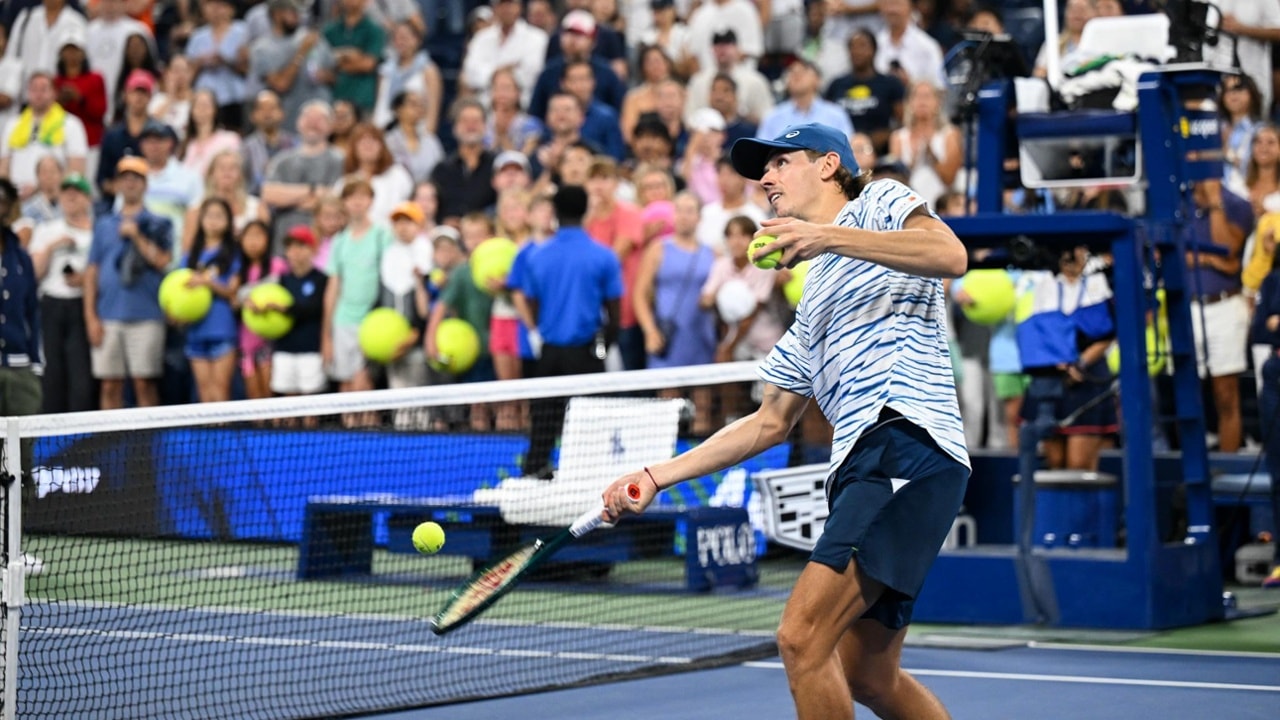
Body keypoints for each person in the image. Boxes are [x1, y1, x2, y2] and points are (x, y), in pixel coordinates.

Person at [600, 123, 969, 720]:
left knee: (801, 639)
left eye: (780, 163)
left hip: (904, 441)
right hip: (864, 464)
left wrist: (826, 236)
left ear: (828, 165)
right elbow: (768, 421)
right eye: (762, 170)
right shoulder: (813, 295)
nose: (766, 178)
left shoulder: (880, 201)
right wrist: (656, 475)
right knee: (870, 676)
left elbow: (951, 256)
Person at [512, 184, 622, 479]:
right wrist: (603, 346)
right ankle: (591, 481)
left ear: (555, 212)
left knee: (542, 427)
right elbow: (615, 314)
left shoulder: (538, 256)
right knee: (591, 430)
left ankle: (534, 476)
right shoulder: (603, 256)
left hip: (549, 355)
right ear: (585, 211)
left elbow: (533, 304)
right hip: (586, 355)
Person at [84, 156, 174, 410]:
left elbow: (163, 261)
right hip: (108, 315)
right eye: (125, 178)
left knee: (144, 383)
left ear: (145, 185)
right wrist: (91, 317)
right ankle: (109, 436)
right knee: (109, 384)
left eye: (136, 178)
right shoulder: (104, 225)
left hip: (147, 315)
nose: (130, 183)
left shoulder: (159, 223)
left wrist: (136, 236)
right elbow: (91, 271)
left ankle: (149, 437)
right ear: (117, 184)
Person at [29, 172, 95, 413]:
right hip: (51, 304)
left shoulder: (96, 233)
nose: (71, 197)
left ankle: (80, 428)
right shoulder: (47, 229)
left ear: (88, 198)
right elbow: (34, 273)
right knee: (52, 371)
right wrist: (52, 247)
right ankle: (50, 426)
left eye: (77, 192)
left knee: (80, 373)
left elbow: (103, 274)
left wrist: (84, 280)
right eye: (67, 192)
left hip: (82, 304)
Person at [181, 197, 242, 403]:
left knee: (221, 389)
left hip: (222, 329)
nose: (213, 221)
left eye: (219, 216)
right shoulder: (190, 255)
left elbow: (232, 291)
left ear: (228, 221)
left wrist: (207, 282)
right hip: (196, 330)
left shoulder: (233, 253)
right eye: (209, 216)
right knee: (204, 391)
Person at [270, 224, 329, 402]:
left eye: (301, 246)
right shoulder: (281, 280)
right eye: (290, 247)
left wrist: (287, 309)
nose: (295, 252)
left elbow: (315, 308)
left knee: (311, 402)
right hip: (284, 348)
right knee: (287, 402)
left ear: (313, 250)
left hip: (310, 349)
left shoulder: (321, 279)